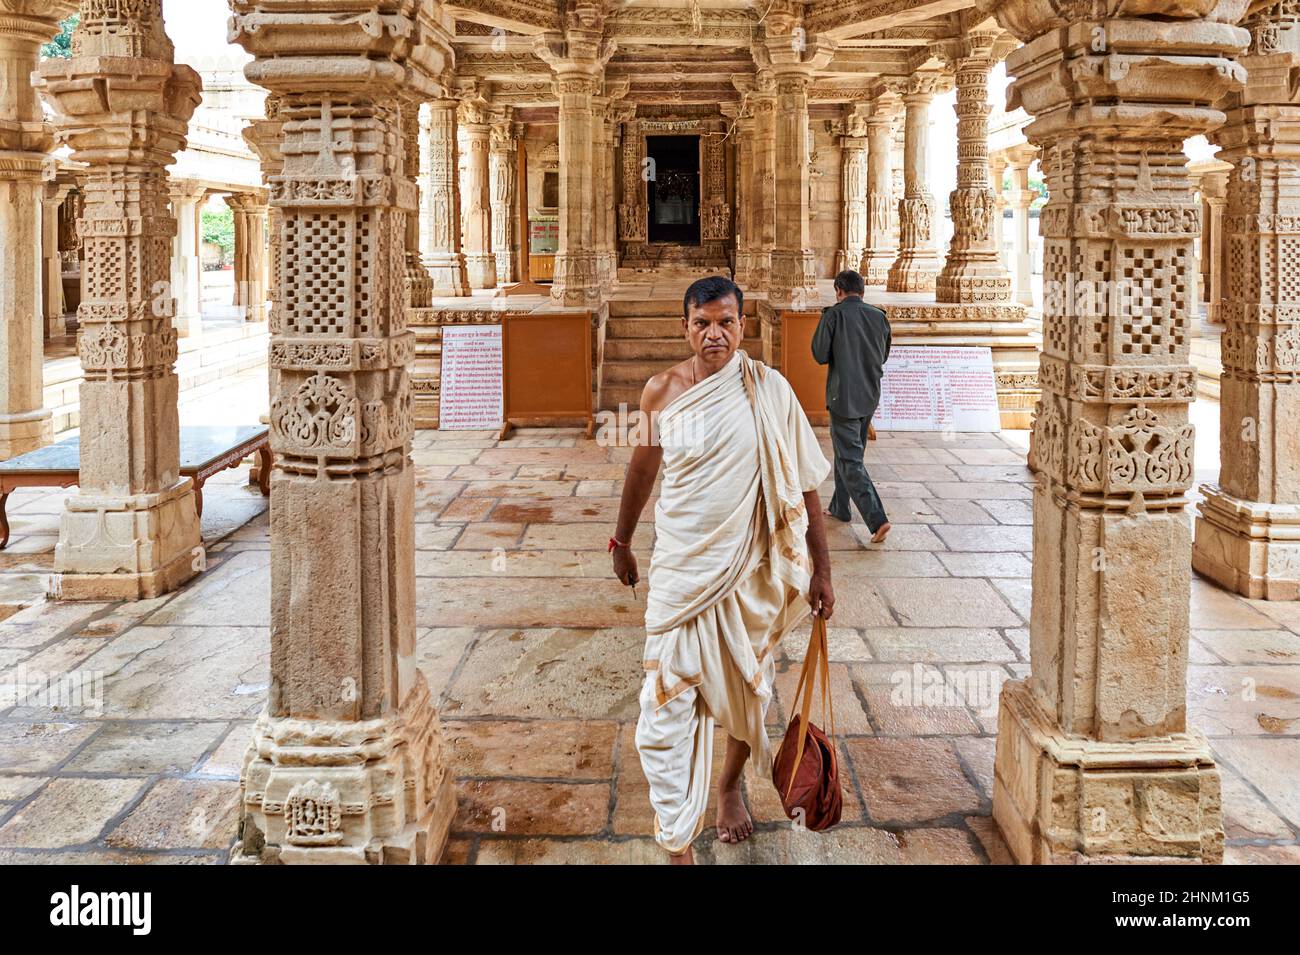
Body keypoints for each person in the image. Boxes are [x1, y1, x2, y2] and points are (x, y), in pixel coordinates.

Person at [610, 275, 834, 865]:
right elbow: (642, 472)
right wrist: (622, 539)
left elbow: (805, 483)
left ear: (742, 325)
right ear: (684, 327)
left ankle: (729, 787)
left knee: (747, 689)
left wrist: (822, 570)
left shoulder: (768, 389)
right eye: (702, 323)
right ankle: (677, 840)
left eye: (726, 322)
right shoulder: (662, 393)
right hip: (683, 570)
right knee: (660, 718)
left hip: (749, 572)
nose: (715, 333)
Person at [812, 269, 892, 544]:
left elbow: (819, 354)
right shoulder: (879, 317)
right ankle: (840, 507)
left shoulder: (833, 315)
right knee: (847, 453)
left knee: (849, 460)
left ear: (838, 291)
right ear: (863, 291)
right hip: (869, 394)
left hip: (843, 397)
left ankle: (877, 519)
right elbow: (883, 355)